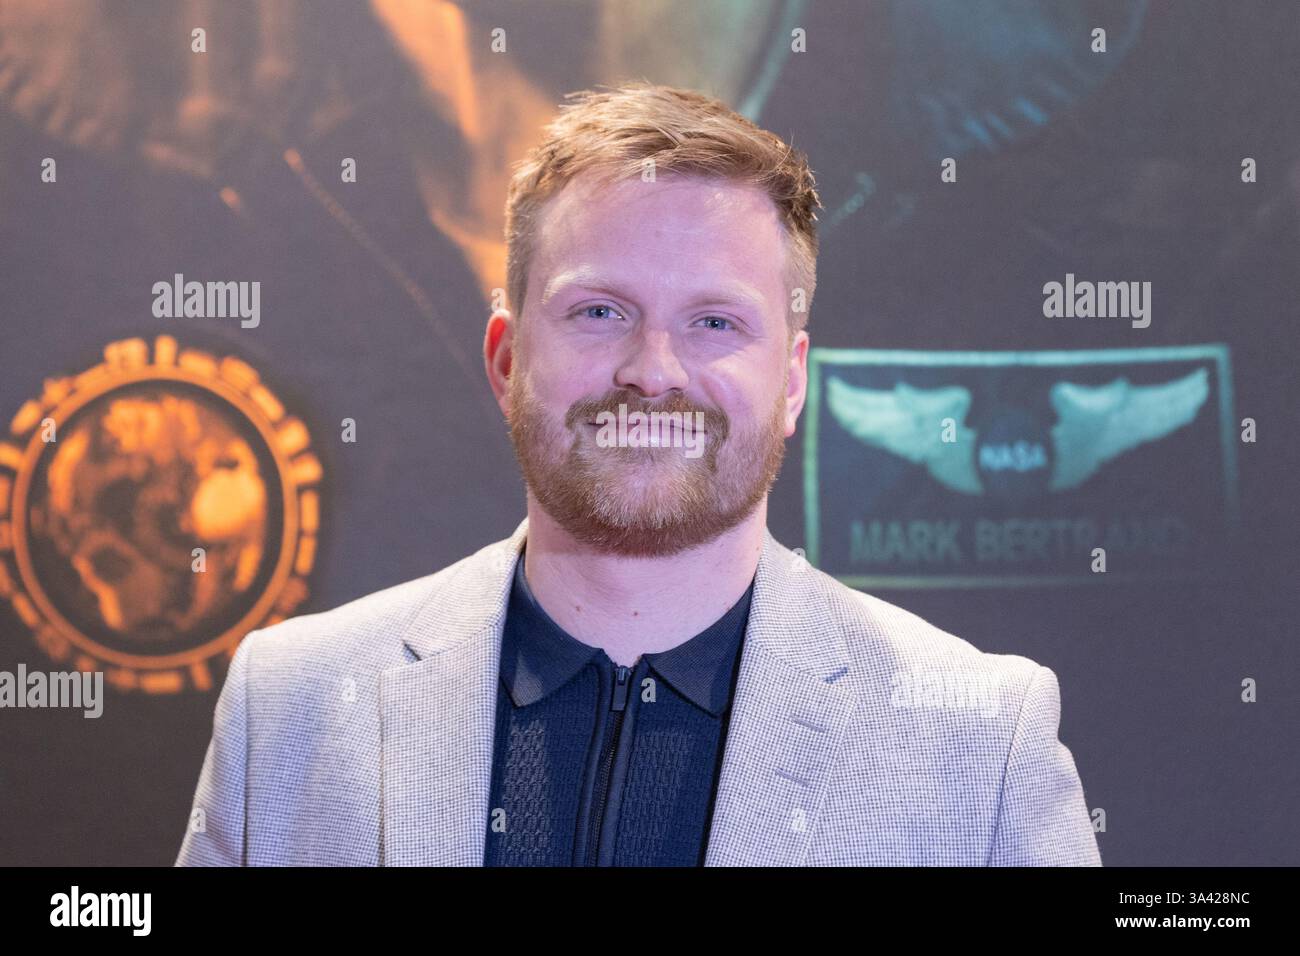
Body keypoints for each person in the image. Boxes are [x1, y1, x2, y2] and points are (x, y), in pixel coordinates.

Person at [176, 82, 1101, 866]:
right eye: (600, 311)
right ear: (505, 360)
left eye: (714, 323)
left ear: (790, 382)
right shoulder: (289, 705)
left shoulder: (982, 740)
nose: (652, 369)